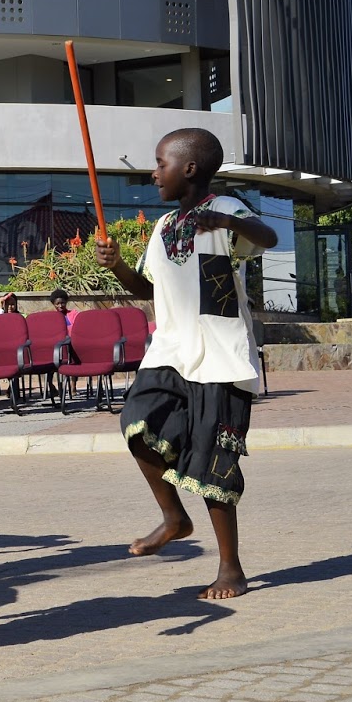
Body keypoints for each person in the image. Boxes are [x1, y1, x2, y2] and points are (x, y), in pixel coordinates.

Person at [93, 127, 277, 601]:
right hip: (170, 351)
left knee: (213, 461)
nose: (154, 174)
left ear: (189, 169)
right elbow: (150, 290)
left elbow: (268, 236)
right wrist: (117, 266)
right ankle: (175, 518)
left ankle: (230, 568)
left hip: (220, 356)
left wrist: (227, 223)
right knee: (137, 425)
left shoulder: (229, 210)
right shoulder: (162, 226)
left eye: (160, 164)